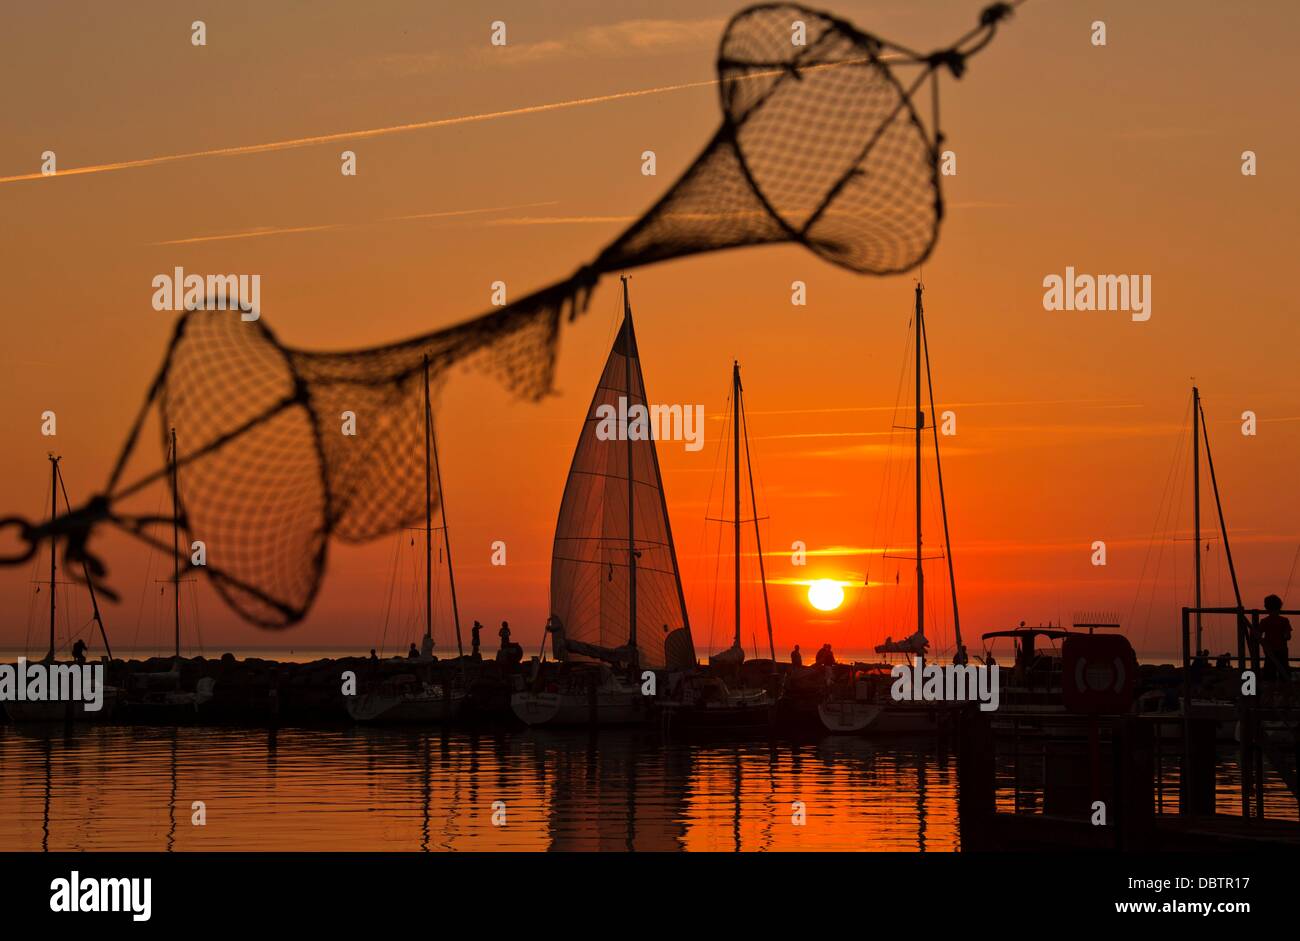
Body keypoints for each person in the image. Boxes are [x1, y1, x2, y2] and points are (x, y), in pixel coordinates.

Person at [1257, 594, 1292, 680]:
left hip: (1269, 651)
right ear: (1280, 606)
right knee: (1284, 675)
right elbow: (1288, 636)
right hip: (1282, 650)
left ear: (1266, 607)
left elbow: (1258, 636)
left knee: (1269, 676)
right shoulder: (1284, 620)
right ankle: (1284, 692)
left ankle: (1270, 692)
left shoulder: (1264, 621)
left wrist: (1265, 644)